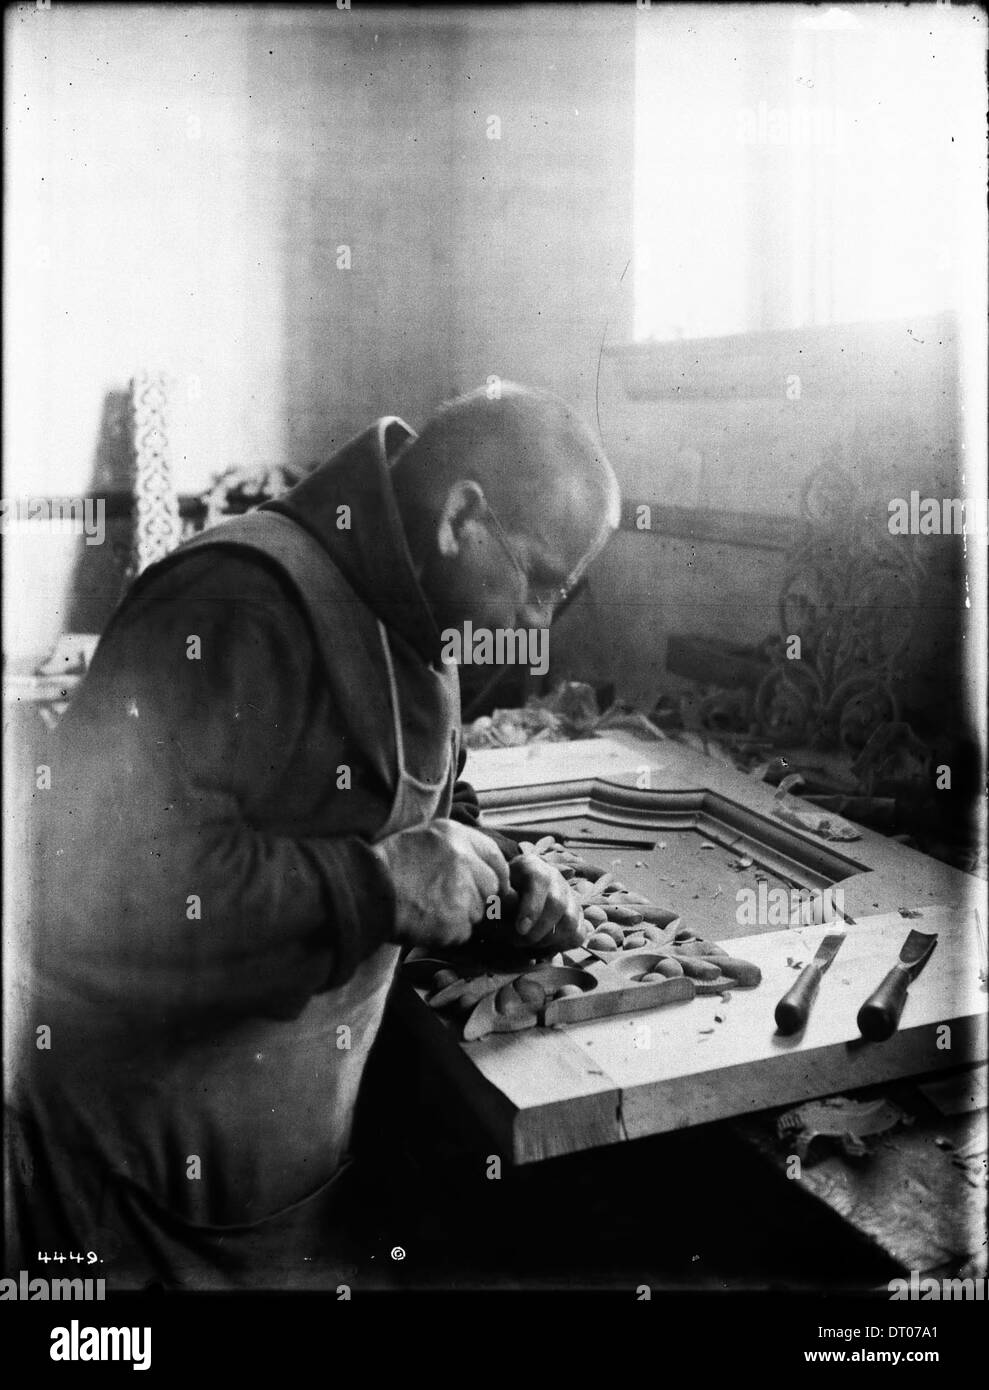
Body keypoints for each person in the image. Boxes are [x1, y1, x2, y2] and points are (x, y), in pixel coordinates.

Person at [7, 383, 621, 1290]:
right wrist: (379, 888)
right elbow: (93, 898)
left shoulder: (414, 611)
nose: (534, 640)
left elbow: (395, 806)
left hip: (270, 1183)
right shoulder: (232, 604)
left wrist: (494, 888)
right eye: (536, 585)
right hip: (132, 1197)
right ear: (460, 515)